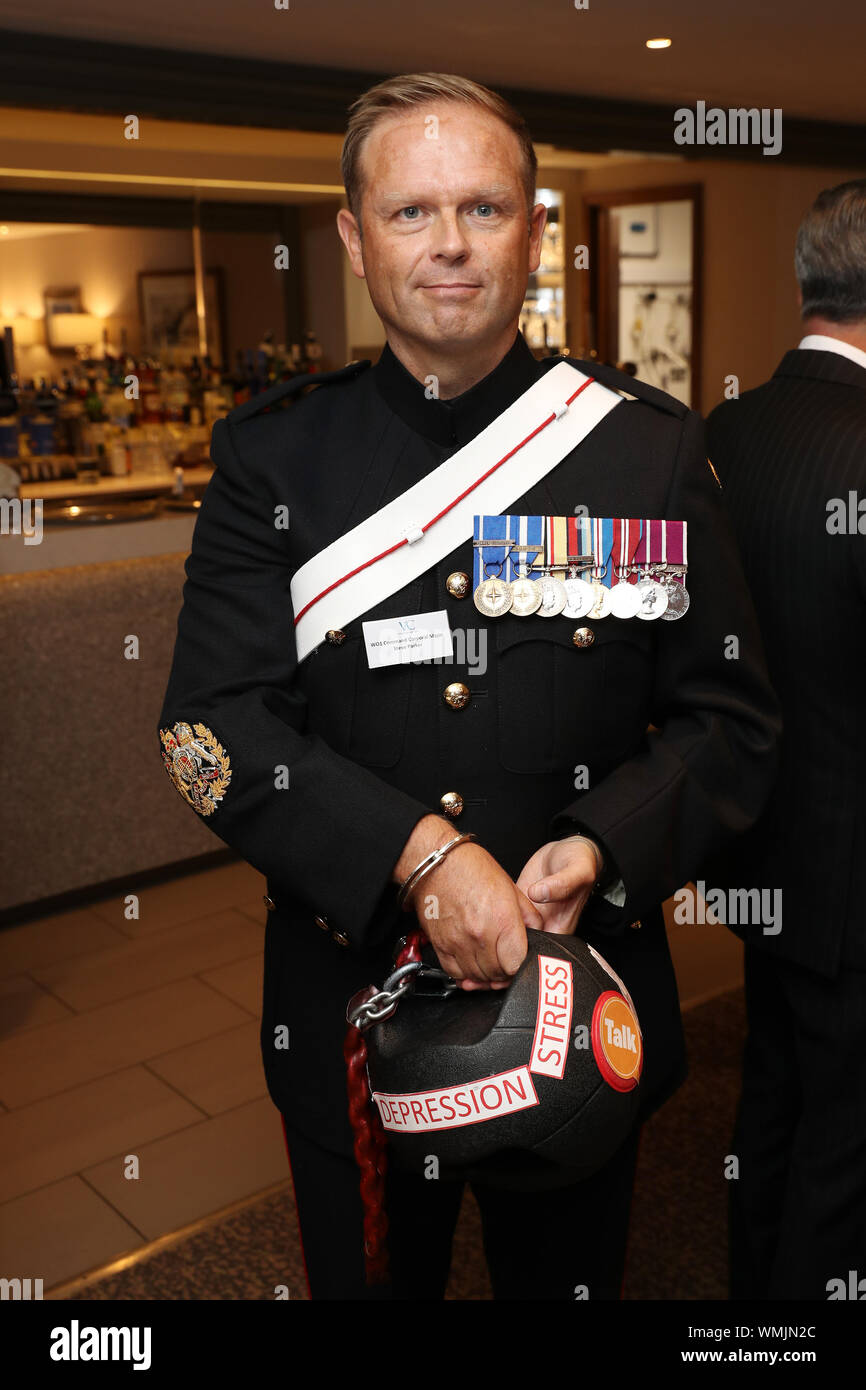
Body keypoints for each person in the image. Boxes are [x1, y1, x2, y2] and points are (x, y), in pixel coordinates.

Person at [158, 71, 779, 1301]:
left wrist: (603, 844)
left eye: (484, 209)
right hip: (351, 998)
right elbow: (207, 729)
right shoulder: (272, 455)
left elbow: (730, 719)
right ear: (350, 237)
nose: (449, 244)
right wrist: (422, 858)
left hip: (578, 984)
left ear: (534, 229)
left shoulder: (641, 449)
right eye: (409, 212)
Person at [707, 179, 866, 1301]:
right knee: (846, 1150)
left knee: (772, 1092)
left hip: (761, 848)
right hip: (857, 872)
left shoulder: (725, 427)